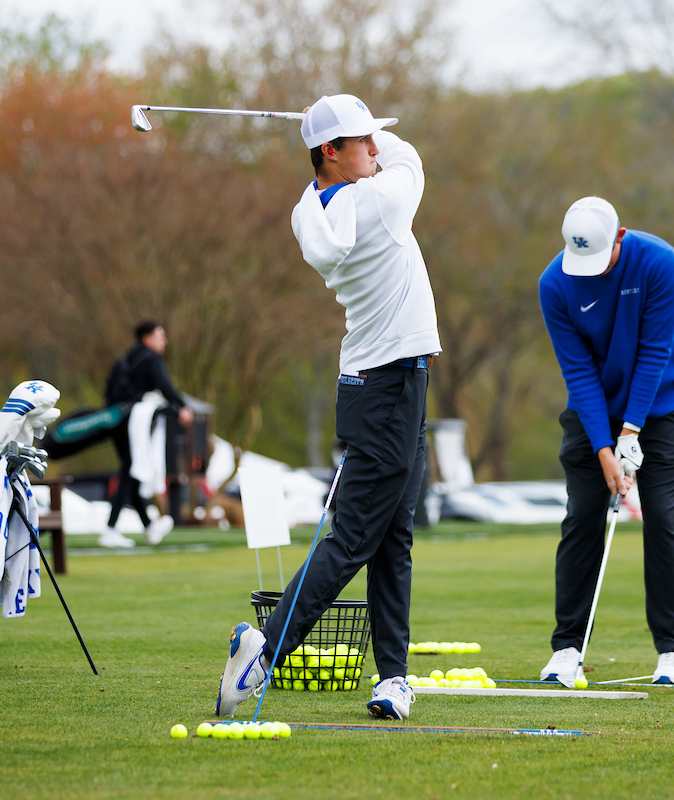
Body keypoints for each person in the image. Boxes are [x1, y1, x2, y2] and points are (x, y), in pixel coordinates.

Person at [216, 94, 440, 721]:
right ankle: (266, 650)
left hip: (377, 383)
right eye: (363, 140)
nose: (376, 147)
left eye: (374, 140)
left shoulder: (308, 211)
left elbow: (367, 161)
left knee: (393, 536)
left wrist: (340, 138)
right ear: (332, 152)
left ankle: (392, 676)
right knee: (354, 540)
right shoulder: (381, 201)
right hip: (391, 384)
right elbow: (410, 158)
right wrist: (368, 138)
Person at [537, 196, 674, 687]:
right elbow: (578, 371)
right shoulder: (554, 283)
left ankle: (672, 653)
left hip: (663, 407)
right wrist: (606, 449)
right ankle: (566, 650)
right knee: (581, 517)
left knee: (662, 518)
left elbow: (653, 352)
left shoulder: (660, 263)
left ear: (619, 238)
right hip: (591, 415)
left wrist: (631, 433)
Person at [99, 320, 194, 548]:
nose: (165, 341)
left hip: (116, 419)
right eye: (161, 336)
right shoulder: (151, 359)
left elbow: (108, 391)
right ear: (148, 338)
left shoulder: (125, 359)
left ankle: (149, 527)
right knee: (129, 472)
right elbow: (164, 385)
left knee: (130, 471)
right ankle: (110, 529)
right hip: (134, 422)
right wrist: (181, 406)